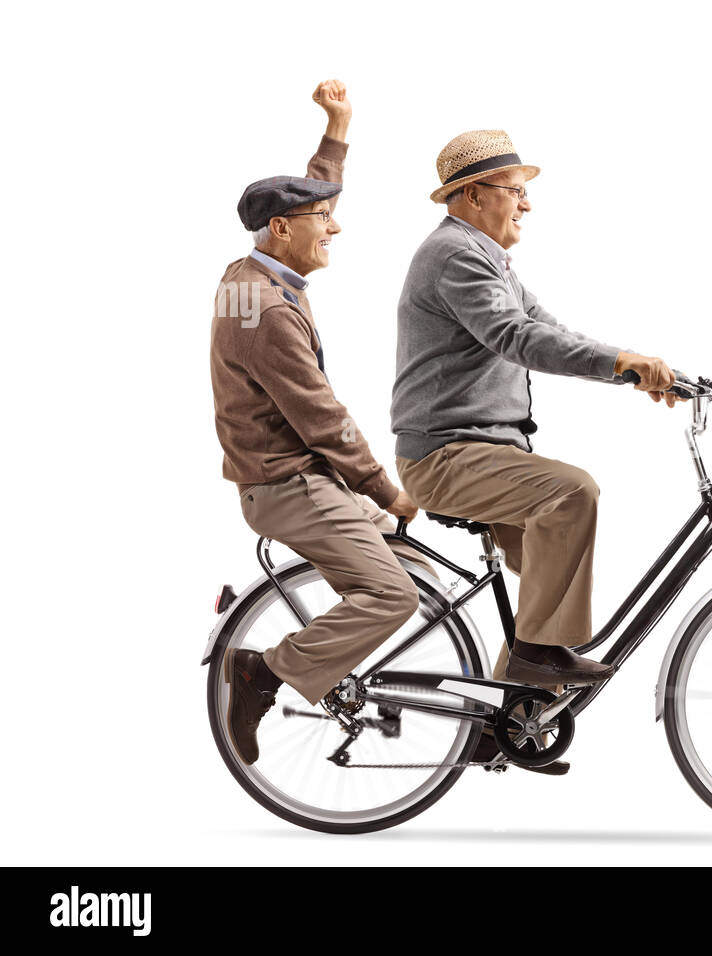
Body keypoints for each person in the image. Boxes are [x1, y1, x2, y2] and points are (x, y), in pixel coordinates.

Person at [391, 130, 680, 774]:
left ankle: (504, 724)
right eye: (515, 192)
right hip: (448, 456)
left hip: (484, 453)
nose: (526, 205)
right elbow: (516, 338)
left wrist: (634, 370)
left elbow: (548, 329)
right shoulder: (454, 256)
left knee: (559, 593)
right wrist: (620, 363)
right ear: (471, 195)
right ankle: (531, 663)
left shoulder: (488, 259)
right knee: (572, 493)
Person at [210, 80, 425, 765]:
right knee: (394, 596)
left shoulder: (253, 273)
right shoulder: (266, 311)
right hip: (288, 485)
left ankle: (356, 677)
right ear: (282, 230)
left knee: (415, 573)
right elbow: (322, 419)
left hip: (297, 476)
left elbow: (310, 192)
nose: (334, 226)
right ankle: (261, 673)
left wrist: (338, 129)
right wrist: (387, 490)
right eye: (320, 220)